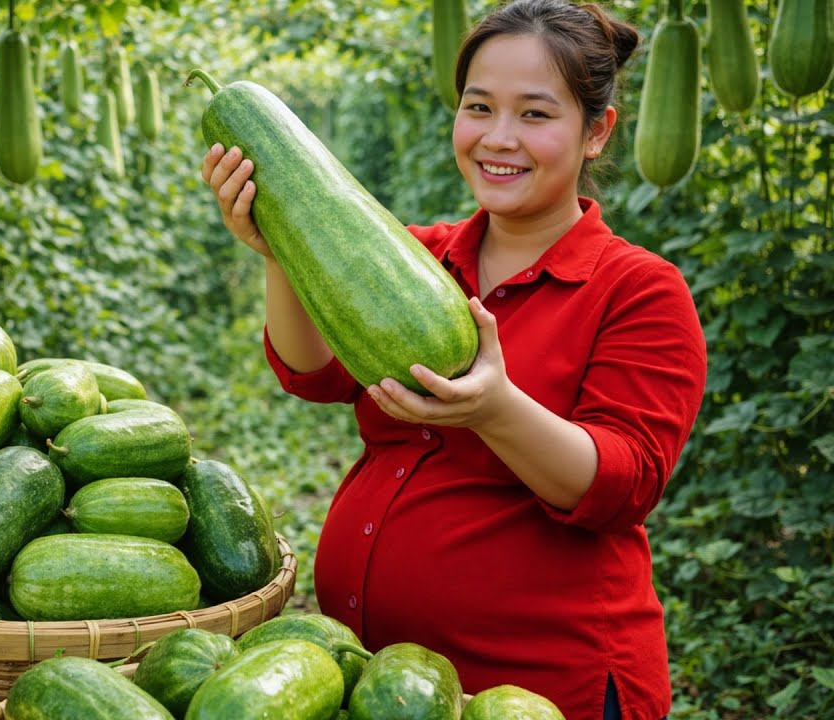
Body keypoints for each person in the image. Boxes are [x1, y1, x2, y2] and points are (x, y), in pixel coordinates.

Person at [200, 0, 706, 718]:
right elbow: (315, 374)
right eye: (479, 107)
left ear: (596, 132)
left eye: (535, 114)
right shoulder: (415, 255)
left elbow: (624, 485)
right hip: (382, 682)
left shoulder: (639, 289)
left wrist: (496, 411)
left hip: (542, 686)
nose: (499, 137)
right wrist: (279, 247)